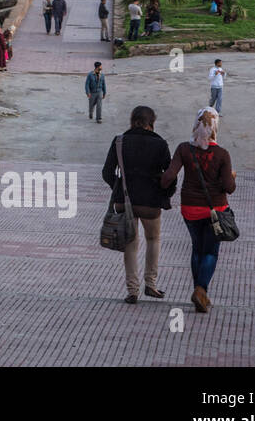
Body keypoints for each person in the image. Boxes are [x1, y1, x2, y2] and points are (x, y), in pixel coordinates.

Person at [161, 108, 236, 313]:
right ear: (215, 128)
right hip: (216, 210)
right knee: (211, 251)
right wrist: (231, 177)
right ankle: (201, 290)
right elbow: (229, 187)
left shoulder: (184, 149)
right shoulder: (222, 154)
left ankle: (200, 292)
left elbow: (169, 176)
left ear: (196, 125)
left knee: (197, 248)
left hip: (190, 208)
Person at [101, 105, 174, 304]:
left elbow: (107, 172)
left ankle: (132, 290)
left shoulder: (120, 141)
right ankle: (151, 284)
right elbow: (170, 175)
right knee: (153, 240)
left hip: (126, 202)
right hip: (151, 203)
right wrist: (164, 194)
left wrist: (119, 189)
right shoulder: (160, 144)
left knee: (130, 244)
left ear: (132, 120)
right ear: (152, 122)